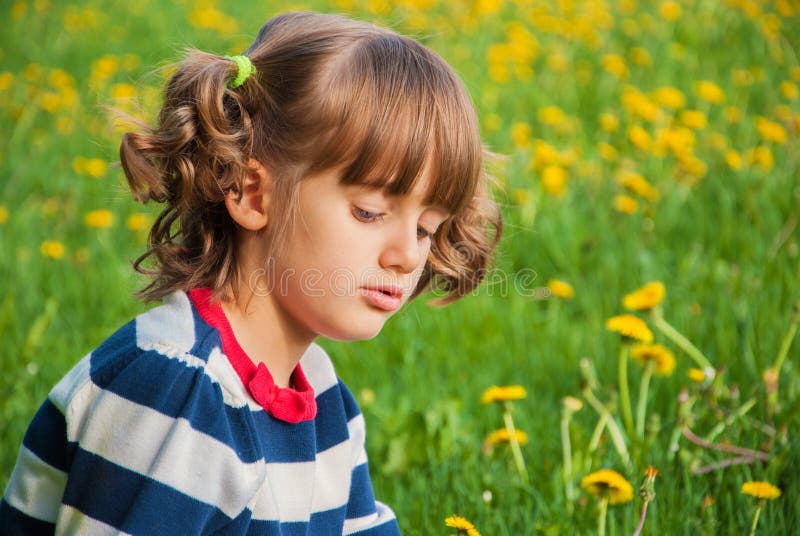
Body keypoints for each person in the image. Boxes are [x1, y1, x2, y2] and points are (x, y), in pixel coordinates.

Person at [0, 10, 501, 535]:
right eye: (370, 212)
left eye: (426, 228)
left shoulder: (325, 397)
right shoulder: (178, 394)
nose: (407, 254)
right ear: (251, 192)